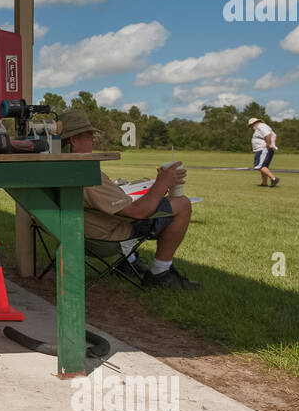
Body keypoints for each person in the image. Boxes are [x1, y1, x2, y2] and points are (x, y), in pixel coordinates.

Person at [59, 109, 200, 290]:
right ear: (74, 140)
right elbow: (138, 212)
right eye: (89, 135)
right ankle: (160, 273)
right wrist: (162, 184)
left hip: (79, 232)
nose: (93, 139)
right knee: (183, 204)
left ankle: (131, 261)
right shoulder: (84, 174)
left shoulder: (58, 170)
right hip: (104, 239)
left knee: (140, 197)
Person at [248, 116, 279, 187]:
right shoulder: (265, 126)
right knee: (264, 166)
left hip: (263, 149)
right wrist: (272, 144)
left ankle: (274, 178)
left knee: (259, 166)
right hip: (265, 149)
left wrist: (268, 145)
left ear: (254, 123)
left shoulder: (260, 126)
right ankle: (264, 183)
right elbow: (274, 136)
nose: (251, 127)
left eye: (251, 125)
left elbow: (267, 135)